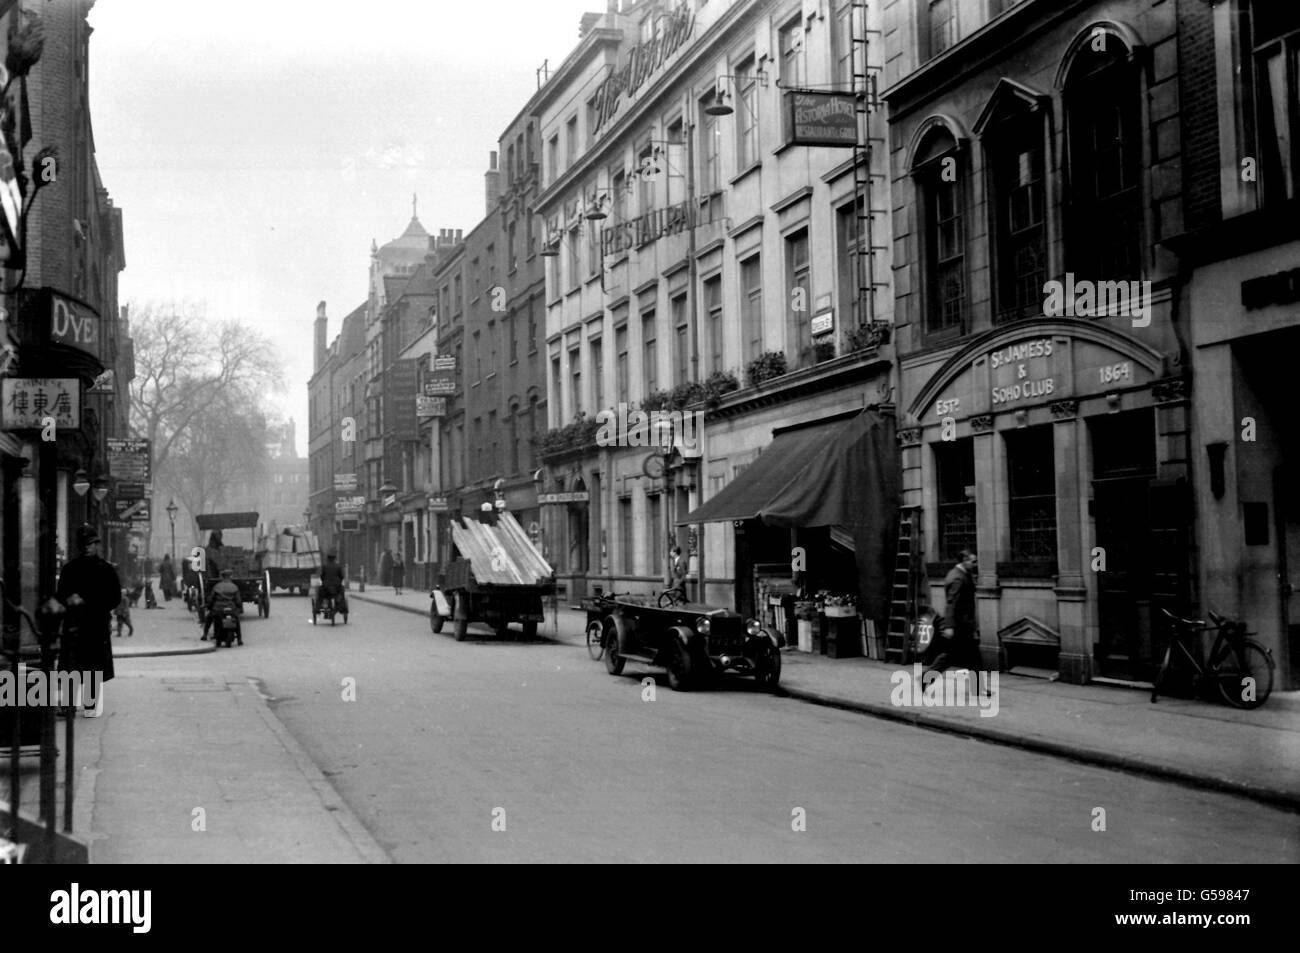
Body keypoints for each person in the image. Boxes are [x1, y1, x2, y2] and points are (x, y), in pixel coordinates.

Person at [56, 525, 121, 717]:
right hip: (95, 624)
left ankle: (70, 705)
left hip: (75, 623)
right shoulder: (106, 569)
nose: (88, 547)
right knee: (92, 663)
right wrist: (100, 608)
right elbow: (115, 598)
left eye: (90, 543)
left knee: (72, 663)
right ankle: (90, 706)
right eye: (86, 544)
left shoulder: (69, 569)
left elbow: (61, 597)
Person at [925, 549, 980, 678]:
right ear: (965, 561)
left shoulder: (960, 573)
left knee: (968, 658)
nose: (975, 564)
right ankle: (926, 677)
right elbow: (951, 603)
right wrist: (949, 626)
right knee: (961, 657)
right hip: (961, 626)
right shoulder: (958, 578)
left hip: (963, 624)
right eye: (973, 561)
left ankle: (978, 687)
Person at [202, 569, 243, 644]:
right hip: (231, 608)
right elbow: (238, 601)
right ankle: (239, 639)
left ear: (222, 577)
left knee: (209, 618)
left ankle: (205, 634)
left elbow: (211, 598)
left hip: (218, 608)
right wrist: (239, 607)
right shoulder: (234, 587)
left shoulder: (217, 586)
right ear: (230, 576)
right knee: (236, 620)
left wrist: (208, 605)